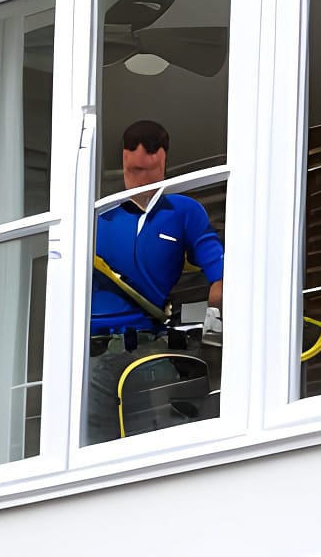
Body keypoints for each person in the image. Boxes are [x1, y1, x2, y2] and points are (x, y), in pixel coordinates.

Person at [86, 120, 223, 443]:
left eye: (150, 167)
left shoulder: (181, 210)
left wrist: (215, 327)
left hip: (149, 351)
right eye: (134, 167)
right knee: (92, 454)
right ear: (122, 160)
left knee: (159, 446)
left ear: (163, 160)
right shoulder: (100, 216)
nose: (141, 177)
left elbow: (218, 268)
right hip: (94, 356)